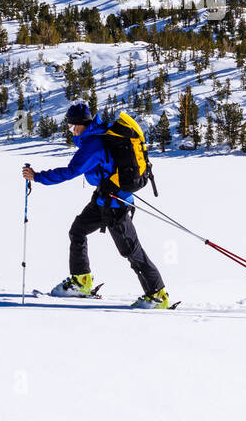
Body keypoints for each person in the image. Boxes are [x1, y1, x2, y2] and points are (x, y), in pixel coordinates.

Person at [21, 102, 171, 309]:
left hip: (114, 203)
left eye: (72, 126)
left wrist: (37, 177)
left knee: (130, 250)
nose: (71, 130)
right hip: (103, 197)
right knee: (78, 230)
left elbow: (70, 172)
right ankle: (81, 281)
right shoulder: (97, 136)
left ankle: (157, 295)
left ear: (81, 125)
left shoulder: (94, 145)